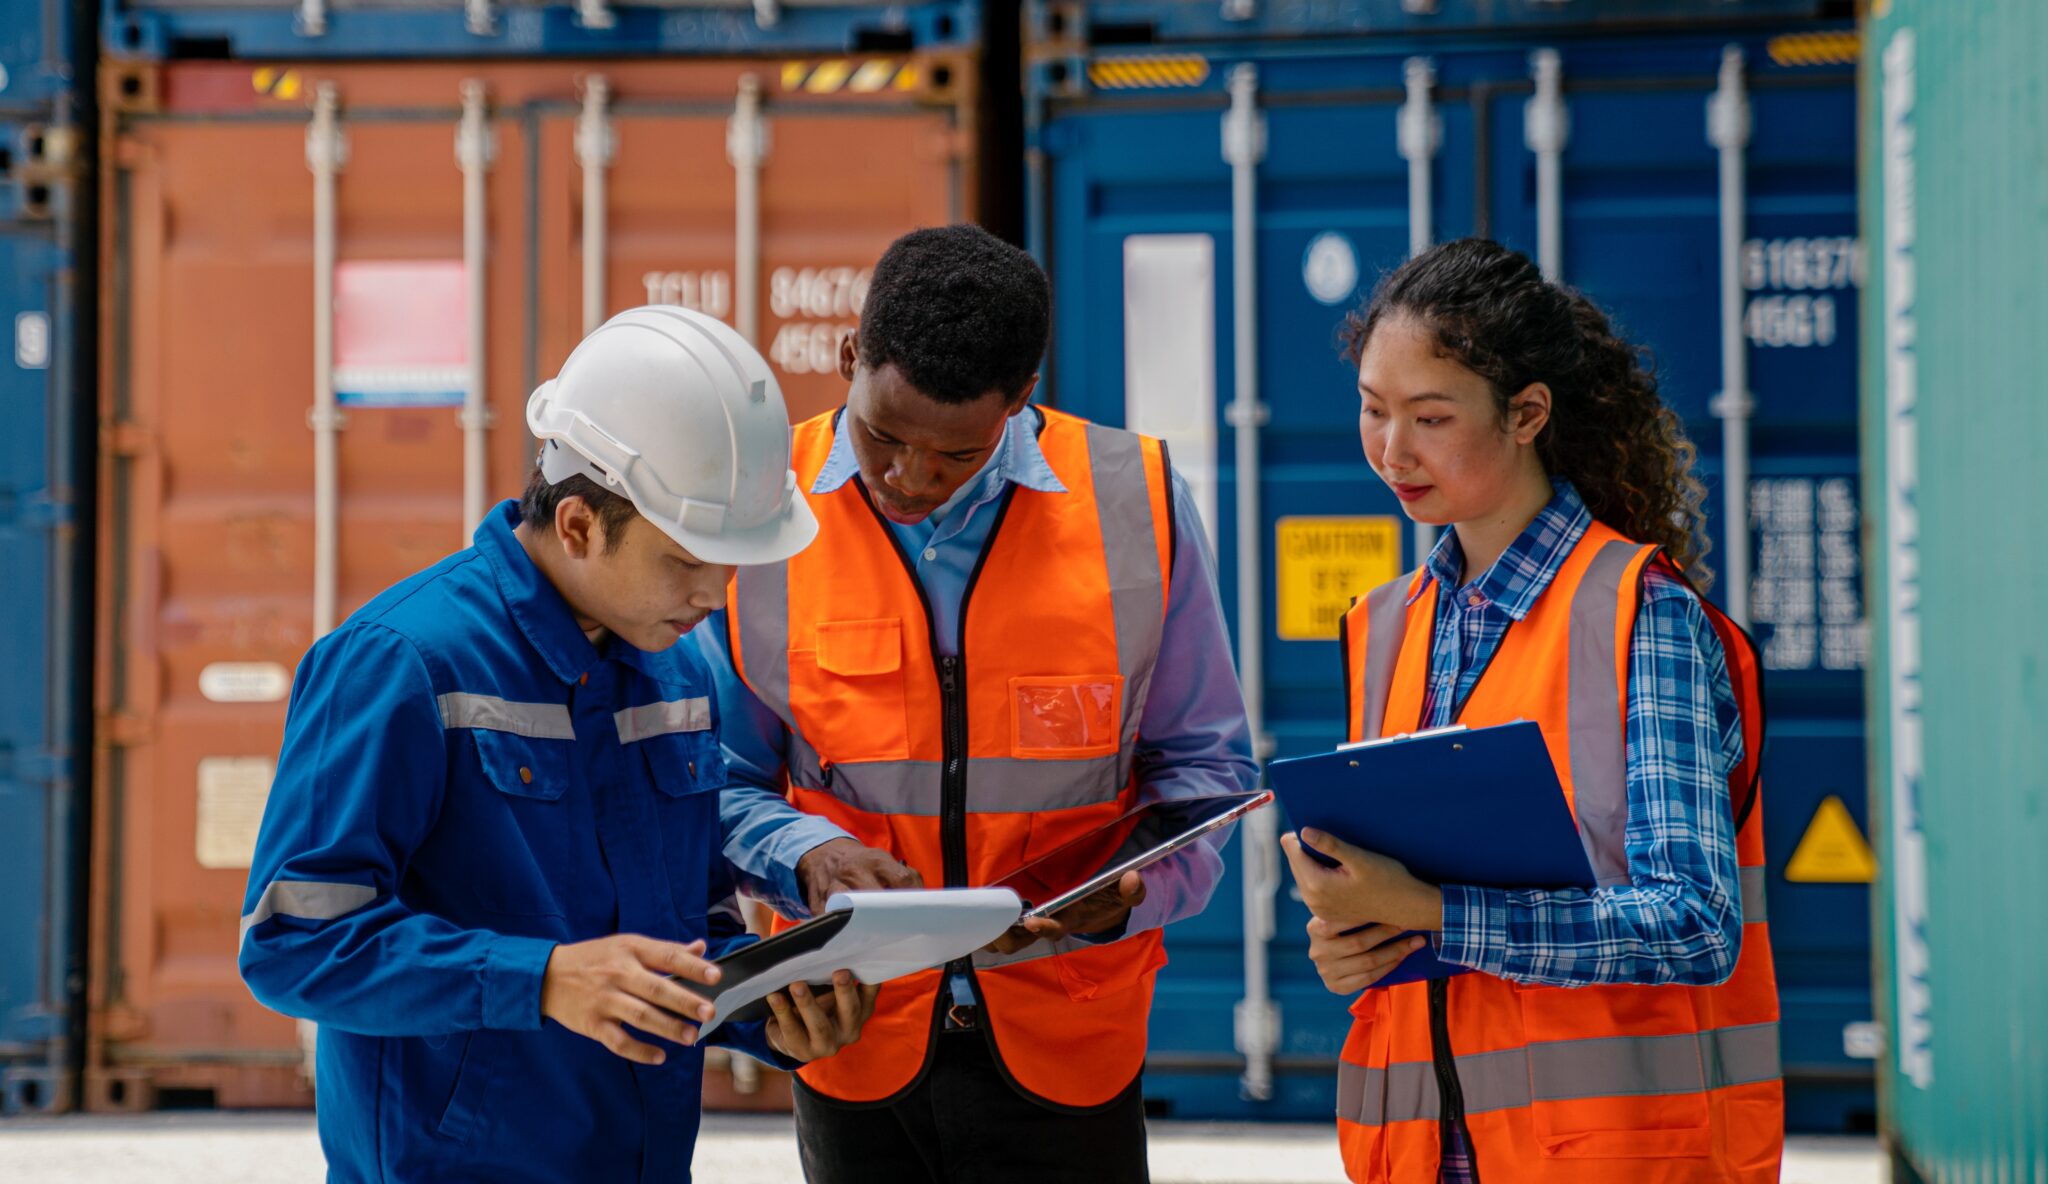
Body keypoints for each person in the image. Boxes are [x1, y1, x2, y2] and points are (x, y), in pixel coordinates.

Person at [238, 307, 880, 1183]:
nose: (714, 595)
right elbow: (292, 946)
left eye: (731, 565)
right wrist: (539, 979)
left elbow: (688, 930)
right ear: (578, 525)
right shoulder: (404, 663)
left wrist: (764, 1008)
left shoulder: (675, 669)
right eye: (687, 560)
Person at [693, 224, 1258, 1184]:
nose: (909, 478)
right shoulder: (757, 514)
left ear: (1018, 405)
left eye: (954, 455)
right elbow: (710, 780)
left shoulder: (1137, 500)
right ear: (846, 359)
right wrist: (805, 854)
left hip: (1070, 1030)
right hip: (851, 1029)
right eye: (882, 435)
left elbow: (1208, 777)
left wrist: (1120, 902)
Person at [1279, 239, 1781, 1183]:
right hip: (1427, 1155)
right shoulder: (1384, 626)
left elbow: (1697, 925)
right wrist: (1353, 940)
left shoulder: (1642, 615)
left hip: (1615, 1158)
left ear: (1527, 414)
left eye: (1430, 417)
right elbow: (1406, 913)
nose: (1392, 450)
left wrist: (1433, 911)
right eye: (1373, 410)